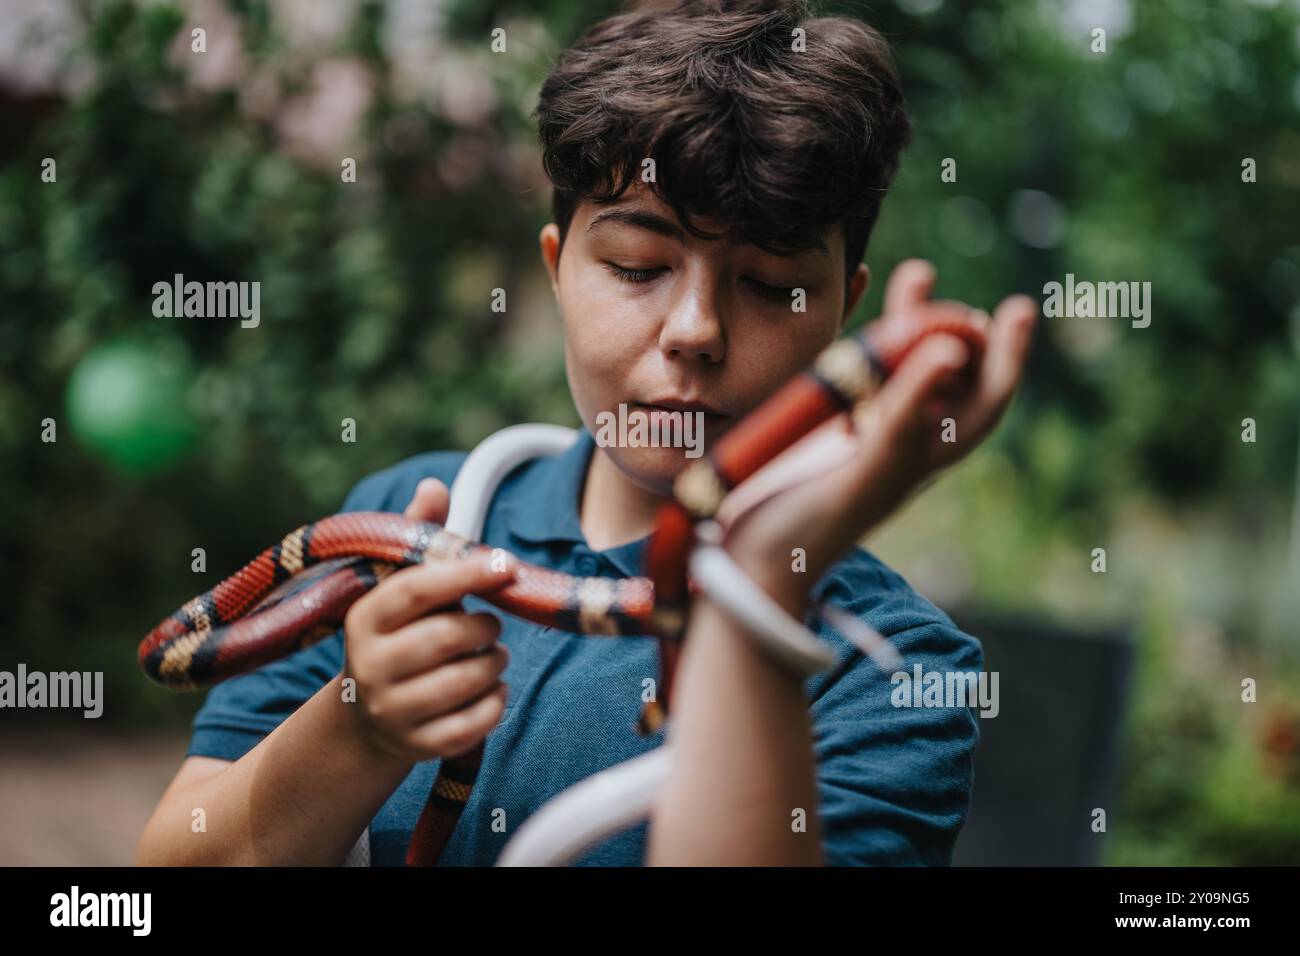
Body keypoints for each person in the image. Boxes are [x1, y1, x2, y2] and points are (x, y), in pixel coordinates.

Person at [137, 0, 1036, 866]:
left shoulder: (895, 673)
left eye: (768, 285)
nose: (697, 329)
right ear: (559, 270)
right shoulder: (397, 519)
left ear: (844, 312)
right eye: (639, 266)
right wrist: (357, 727)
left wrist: (763, 580)